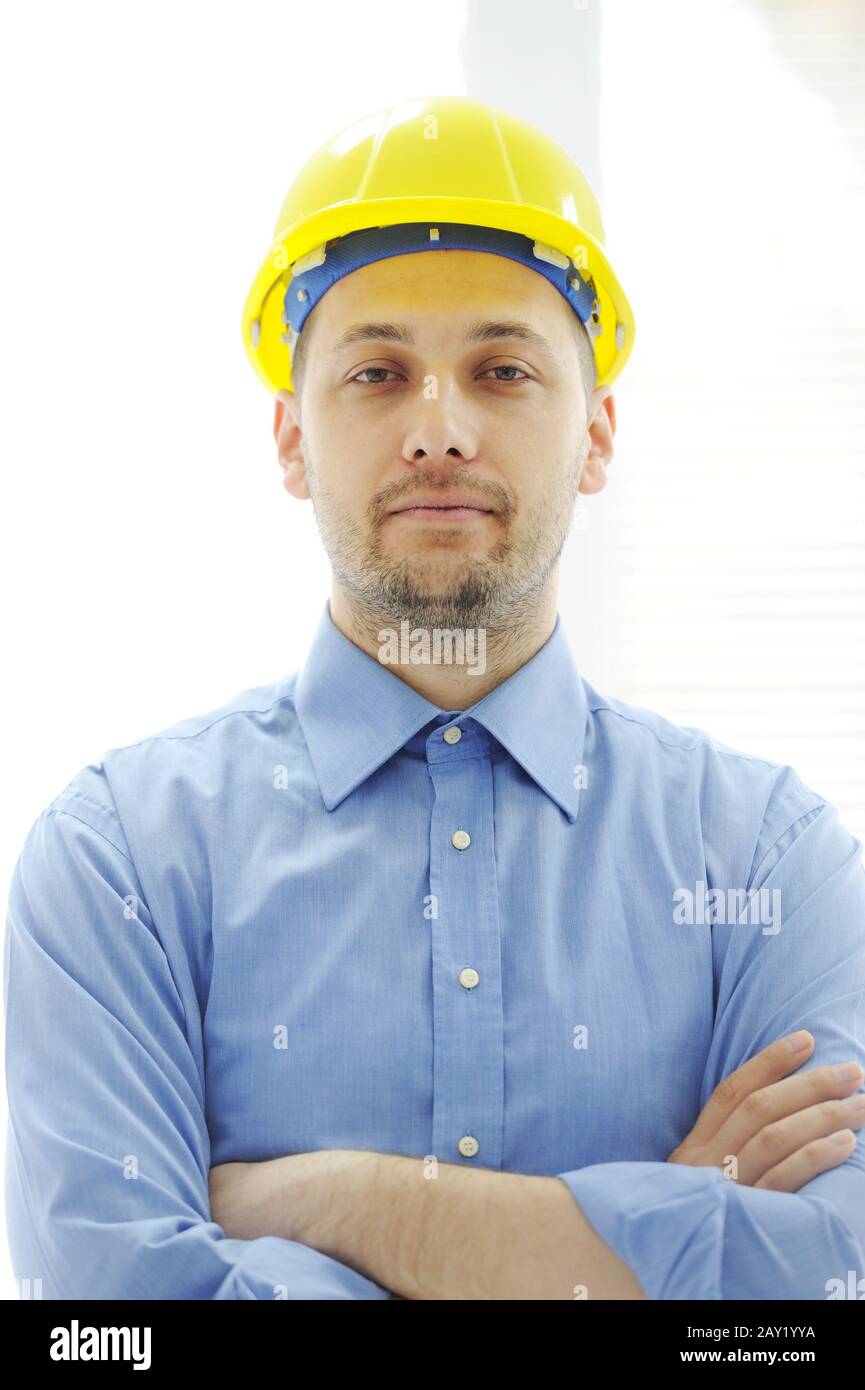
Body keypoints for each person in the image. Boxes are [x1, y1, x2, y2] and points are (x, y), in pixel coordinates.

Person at [5, 95, 865, 1301]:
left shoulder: (772, 863)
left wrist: (318, 1201)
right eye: (377, 371)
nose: (440, 429)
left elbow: (816, 1302)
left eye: (502, 368)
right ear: (292, 440)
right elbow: (113, 1326)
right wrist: (650, 1248)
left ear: (598, 434)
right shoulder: (119, 865)